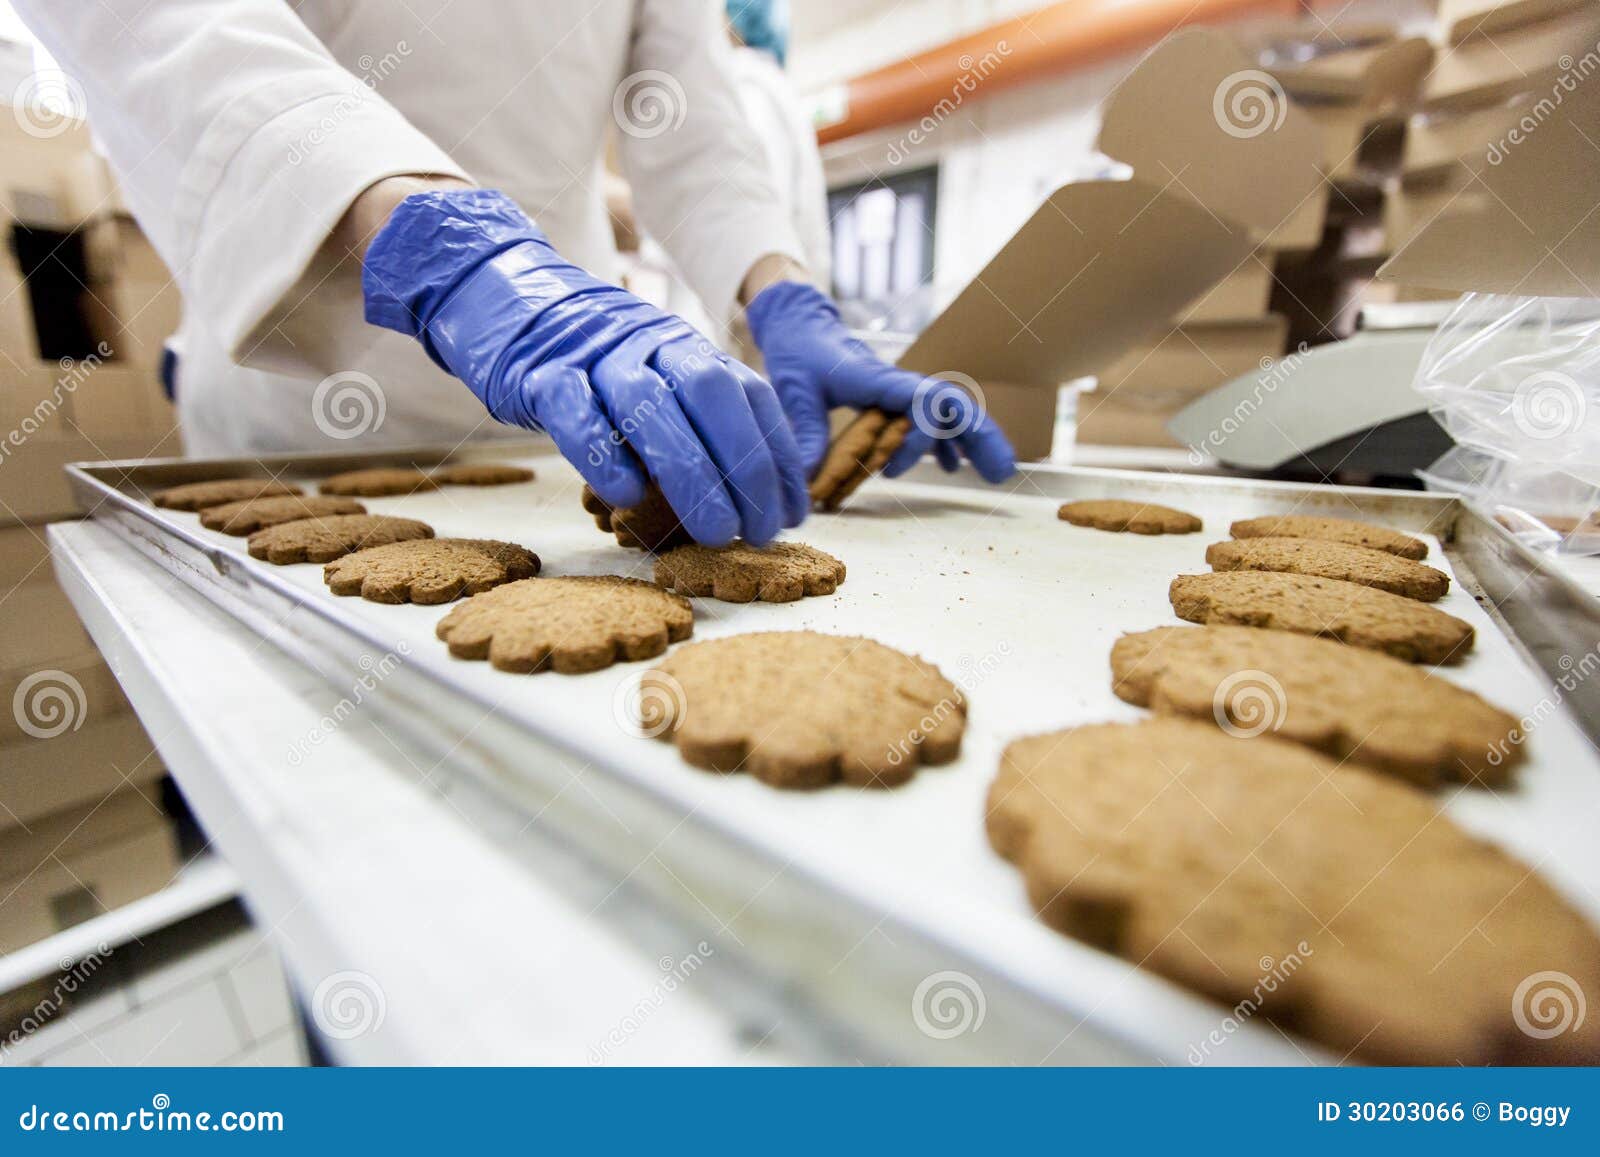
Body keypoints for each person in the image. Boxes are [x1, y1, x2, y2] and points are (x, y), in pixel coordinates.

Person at [17, 1, 1014, 546]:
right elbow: (164, 25)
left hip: (574, 407)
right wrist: (432, 239)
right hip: (303, 404)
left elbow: (691, 121)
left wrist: (779, 288)